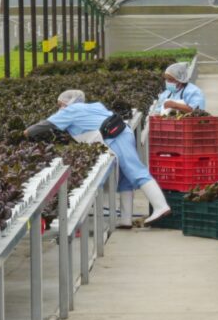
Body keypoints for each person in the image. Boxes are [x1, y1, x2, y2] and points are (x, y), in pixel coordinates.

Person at [28, 89, 172, 227]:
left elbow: (45, 124)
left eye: (60, 104)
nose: (59, 108)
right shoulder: (94, 105)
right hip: (124, 133)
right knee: (125, 178)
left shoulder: (70, 110)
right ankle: (126, 220)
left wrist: (25, 133)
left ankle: (160, 206)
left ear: (66, 103)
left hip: (115, 137)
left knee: (135, 170)